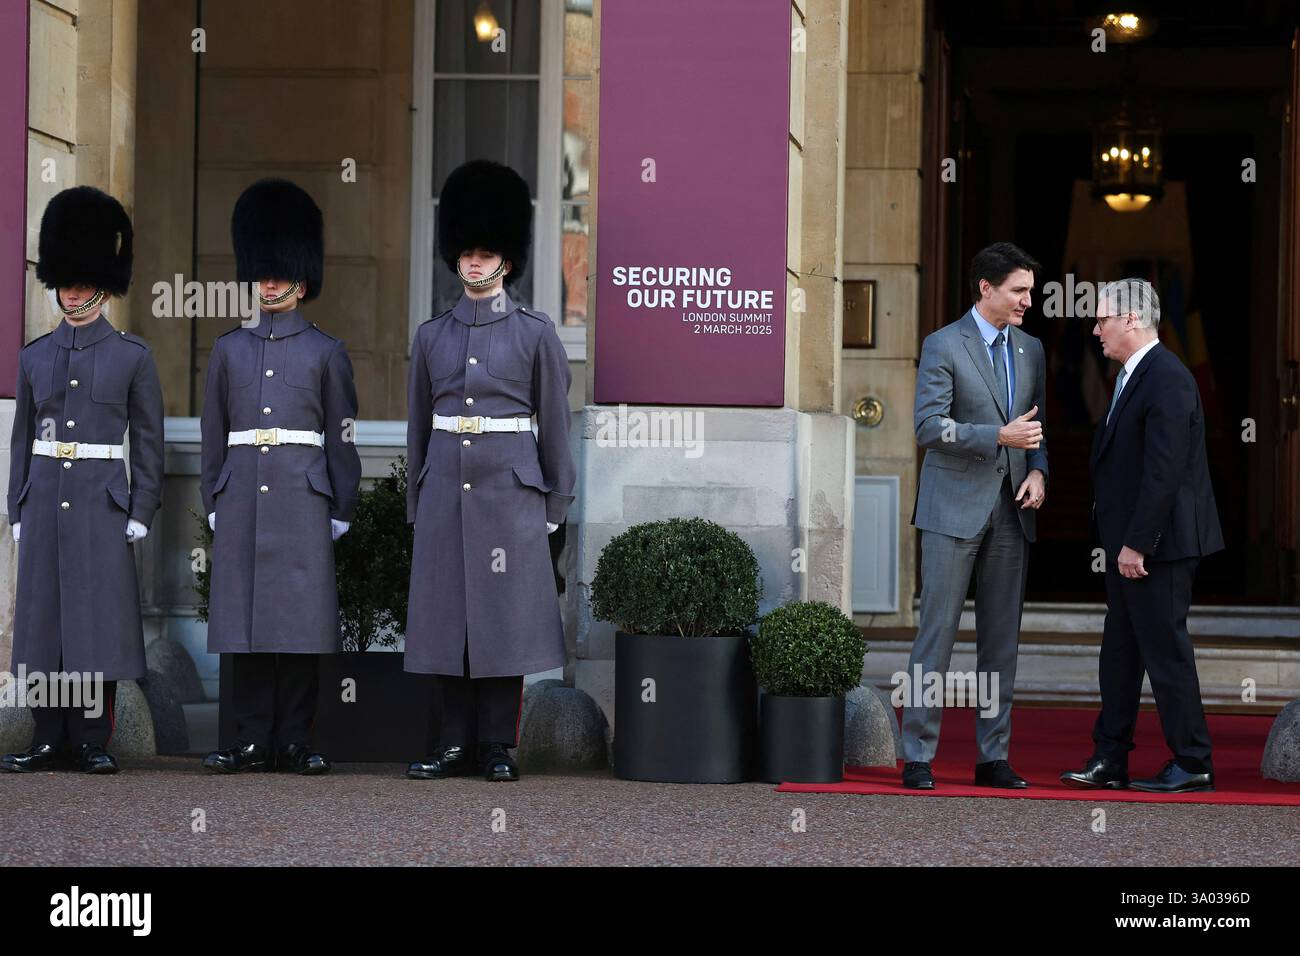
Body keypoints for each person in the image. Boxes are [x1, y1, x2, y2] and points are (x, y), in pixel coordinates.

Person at [404, 159, 576, 782]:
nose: (474, 262)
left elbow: (553, 424)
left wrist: (556, 505)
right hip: (446, 488)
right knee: (449, 618)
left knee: (503, 618)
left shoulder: (535, 335)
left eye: (486, 252)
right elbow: (418, 427)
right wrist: (416, 502)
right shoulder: (432, 337)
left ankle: (497, 744)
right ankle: (453, 742)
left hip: (511, 493)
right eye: (466, 252)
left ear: (506, 258)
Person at [200, 179, 361, 775]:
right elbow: (216, 432)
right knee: (243, 627)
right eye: (261, 272)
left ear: (301, 276)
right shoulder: (229, 349)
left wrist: (341, 505)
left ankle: (294, 738)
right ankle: (249, 737)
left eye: (278, 272)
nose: (268, 283)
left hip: (302, 497)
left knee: (298, 627)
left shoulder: (326, 352)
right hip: (242, 493)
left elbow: (342, 434)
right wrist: (213, 494)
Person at [1, 186, 164, 775]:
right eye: (64, 280)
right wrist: (17, 508)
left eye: (79, 279)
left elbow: (148, 441)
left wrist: (141, 508)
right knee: (45, 620)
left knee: (96, 622)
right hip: (44, 499)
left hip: (101, 502)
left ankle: (94, 737)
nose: (70, 290)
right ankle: (50, 737)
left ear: (102, 280)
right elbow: (22, 439)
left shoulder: (131, 357)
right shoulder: (36, 357)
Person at [1061, 278, 1223, 794]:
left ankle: (1193, 760)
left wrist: (1138, 543)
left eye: (1102, 318)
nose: (1095, 328)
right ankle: (1110, 757)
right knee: (1121, 652)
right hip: (1131, 544)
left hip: (1159, 547)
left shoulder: (1168, 378)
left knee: (1165, 651)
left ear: (1131, 319)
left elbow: (1164, 472)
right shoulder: (1134, 375)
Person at [903, 241, 1049, 790]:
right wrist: (997, 436)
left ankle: (992, 757)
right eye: (1019, 291)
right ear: (986, 289)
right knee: (935, 637)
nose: (1028, 302)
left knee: (1000, 643)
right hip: (949, 512)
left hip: (1013, 514)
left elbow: (1038, 428)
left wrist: (1038, 471)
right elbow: (927, 428)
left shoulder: (1031, 349)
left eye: (1030, 292)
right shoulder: (943, 344)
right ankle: (917, 755)